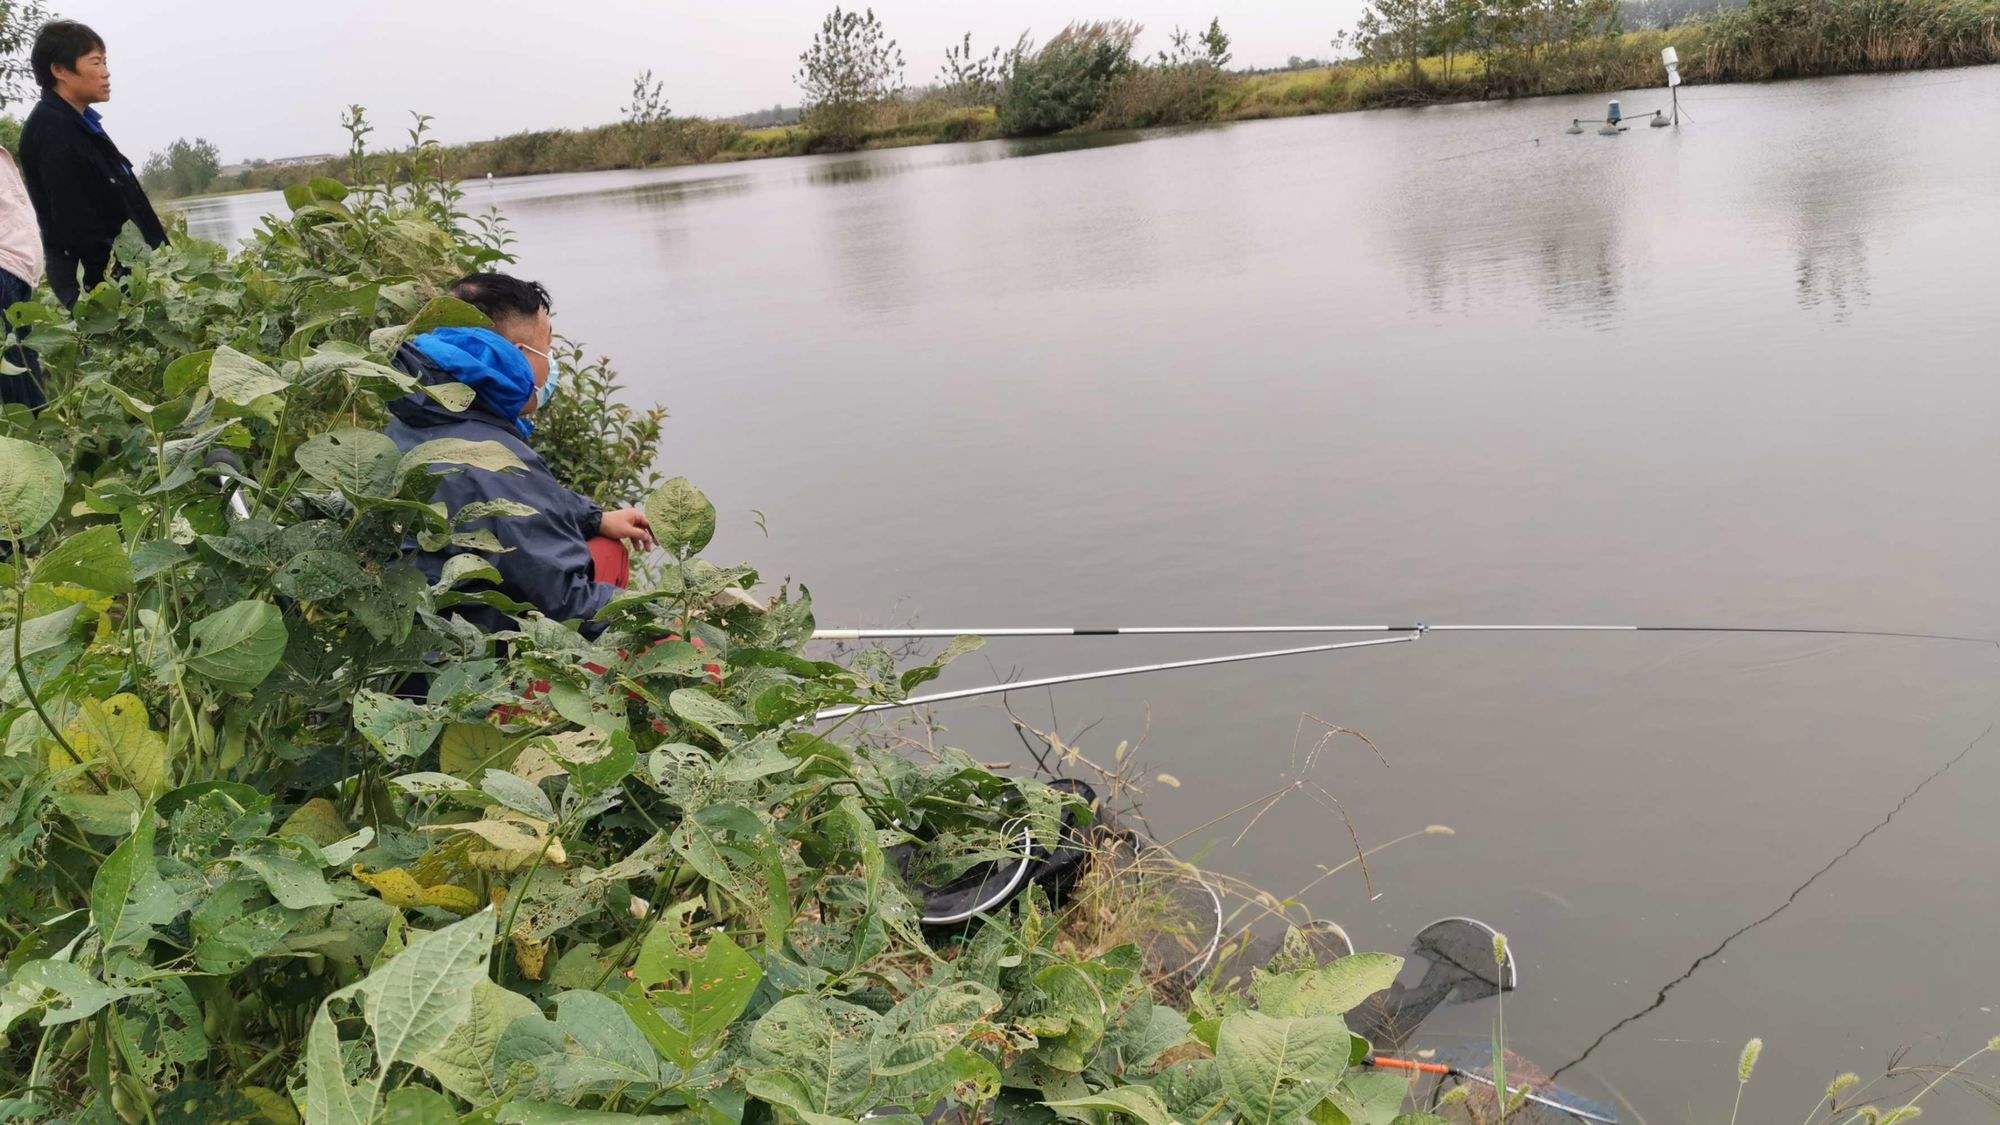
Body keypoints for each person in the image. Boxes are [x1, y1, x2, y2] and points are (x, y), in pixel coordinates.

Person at [388, 272, 655, 639]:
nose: (551, 363)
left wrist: (594, 517)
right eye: (547, 349)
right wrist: (666, 615)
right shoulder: (493, 457)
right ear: (517, 356)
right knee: (669, 635)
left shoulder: (423, 410)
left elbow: (525, 504)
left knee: (604, 545)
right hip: (472, 663)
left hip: (415, 637)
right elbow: (565, 605)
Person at [19, 20, 165, 308]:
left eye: (105, 62)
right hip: (102, 293)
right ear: (59, 70)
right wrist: (111, 290)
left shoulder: (82, 123)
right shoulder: (52, 131)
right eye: (96, 62)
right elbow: (75, 224)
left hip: (130, 280)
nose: (106, 73)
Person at [0, 142, 45, 409]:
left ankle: (39, 435)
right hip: (5, 269)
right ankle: (29, 436)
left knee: (22, 359)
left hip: (16, 271)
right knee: (14, 364)